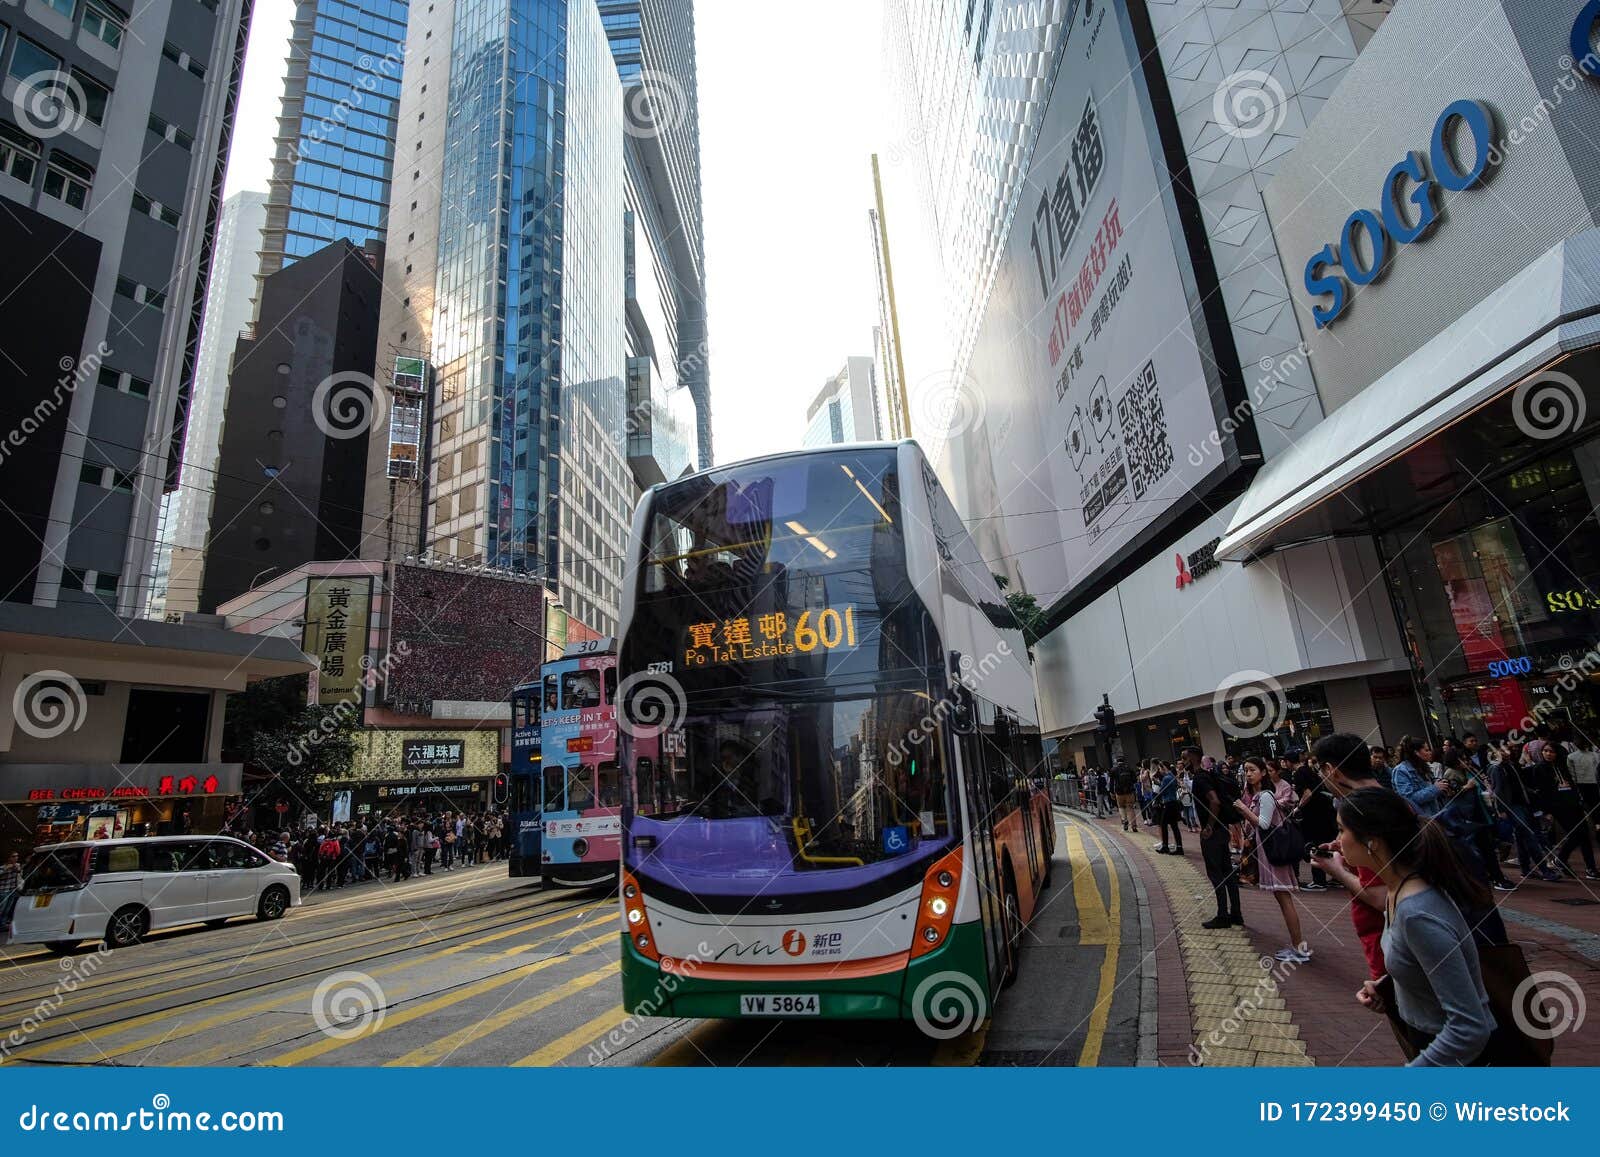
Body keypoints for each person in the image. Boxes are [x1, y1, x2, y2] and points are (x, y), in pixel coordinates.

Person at [1338, 787, 1496, 1067]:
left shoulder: (1417, 913)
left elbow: (1470, 1027)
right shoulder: (1396, 890)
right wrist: (1390, 987)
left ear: (1372, 842)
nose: (1338, 841)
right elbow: (1424, 964)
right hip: (1429, 1040)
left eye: (1342, 830)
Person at [1234, 757, 1309, 962]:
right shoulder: (1258, 795)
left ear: (1263, 772)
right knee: (1282, 899)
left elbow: (1264, 824)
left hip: (1273, 853)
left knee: (1285, 900)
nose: (1248, 774)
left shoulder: (1266, 795)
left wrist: (1244, 809)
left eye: (1252, 770)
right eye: (1245, 770)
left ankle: (1299, 948)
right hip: (1268, 852)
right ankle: (1297, 946)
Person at [1438, 749, 1512, 891]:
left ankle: (1493, 877)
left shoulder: (1468, 770)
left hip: (1478, 815)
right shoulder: (1451, 773)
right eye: (1462, 759)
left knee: (1485, 848)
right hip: (1467, 817)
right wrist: (1466, 787)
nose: (1465, 762)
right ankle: (1490, 878)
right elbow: (1449, 794)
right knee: (1479, 850)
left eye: (1466, 759)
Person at [1186, 747, 1241, 930]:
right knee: (1227, 872)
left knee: (1216, 874)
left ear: (1193, 757)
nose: (1181, 762)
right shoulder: (1209, 775)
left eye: (1184, 757)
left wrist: (1209, 826)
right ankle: (1236, 913)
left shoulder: (1201, 778)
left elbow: (1215, 801)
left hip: (1213, 833)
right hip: (1222, 830)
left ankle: (1222, 915)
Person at [1492, 741, 1559, 882]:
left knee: (1522, 838)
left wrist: (1532, 794)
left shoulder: (1512, 765)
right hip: (1513, 806)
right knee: (1530, 836)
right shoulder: (1497, 768)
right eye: (1502, 750)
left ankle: (1526, 869)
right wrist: (1500, 809)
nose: (1506, 752)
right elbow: (1497, 790)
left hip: (1523, 805)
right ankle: (1544, 870)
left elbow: (1520, 785)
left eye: (1507, 750)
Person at [1290, 753, 1335, 891]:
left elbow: (1307, 794)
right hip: (1325, 812)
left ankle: (1319, 880)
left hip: (1313, 815)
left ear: (1286, 762)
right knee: (1324, 844)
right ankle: (1337, 877)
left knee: (1313, 845)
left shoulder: (1298, 773)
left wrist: (1298, 808)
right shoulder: (1309, 770)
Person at [1391, 735, 1450, 818]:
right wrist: (1435, 788)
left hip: (1436, 815)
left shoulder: (1423, 767)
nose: (1430, 752)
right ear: (1416, 752)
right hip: (1422, 820)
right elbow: (1409, 800)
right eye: (1426, 750)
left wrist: (1442, 787)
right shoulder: (1401, 771)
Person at [1153, 761, 1184, 855]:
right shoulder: (1173, 777)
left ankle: (1165, 846)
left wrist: (1158, 783)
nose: (1159, 771)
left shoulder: (1166, 778)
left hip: (1168, 803)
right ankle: (1179, 847)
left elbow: (1161, 791)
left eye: (1160, 768)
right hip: (1174, 803)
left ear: (1164, 768)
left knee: (1163, 824)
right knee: (1174, 826)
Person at [1112, 760, 1138, 832]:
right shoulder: (1129, 769)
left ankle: (1124, 820)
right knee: (1130, 807)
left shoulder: (1114, 770)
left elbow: (1111, 782)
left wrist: (1111, 792)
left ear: (1117, 762)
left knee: (1121, 807)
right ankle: (1134, 826)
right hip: (1129, 791)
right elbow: (1135, 780)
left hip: (1119, 792)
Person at [0, 851, 21, 934]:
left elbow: (19, 871)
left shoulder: (17, 865)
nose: (16, 858)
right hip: (2, 891)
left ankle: (3, 924)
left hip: (12, 890)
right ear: (9, 858)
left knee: (8, 909)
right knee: (2, 908)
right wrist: (7, 868)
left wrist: (16, 868)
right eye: (13, 856)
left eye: (17, 856)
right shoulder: (2, 867)